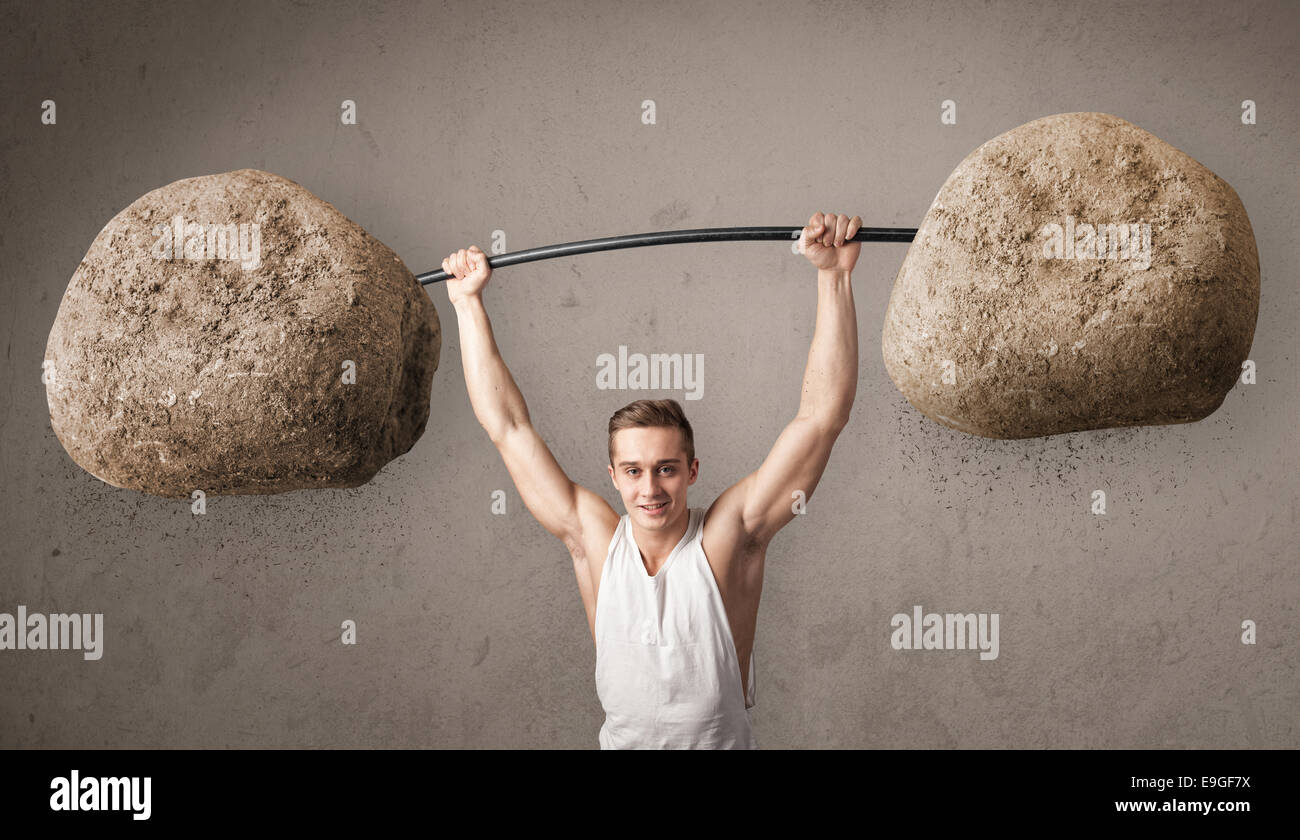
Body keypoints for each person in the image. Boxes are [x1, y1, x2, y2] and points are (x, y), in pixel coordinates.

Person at [441, 211, 861, 748]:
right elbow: (508, 427)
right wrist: (467, 304)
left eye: (666, 469)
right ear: (612, 477)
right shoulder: (594, 540)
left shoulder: (729, 536)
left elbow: (821, 419)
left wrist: (834, 277)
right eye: (634, 472)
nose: (651, 489)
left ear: (692, 470)